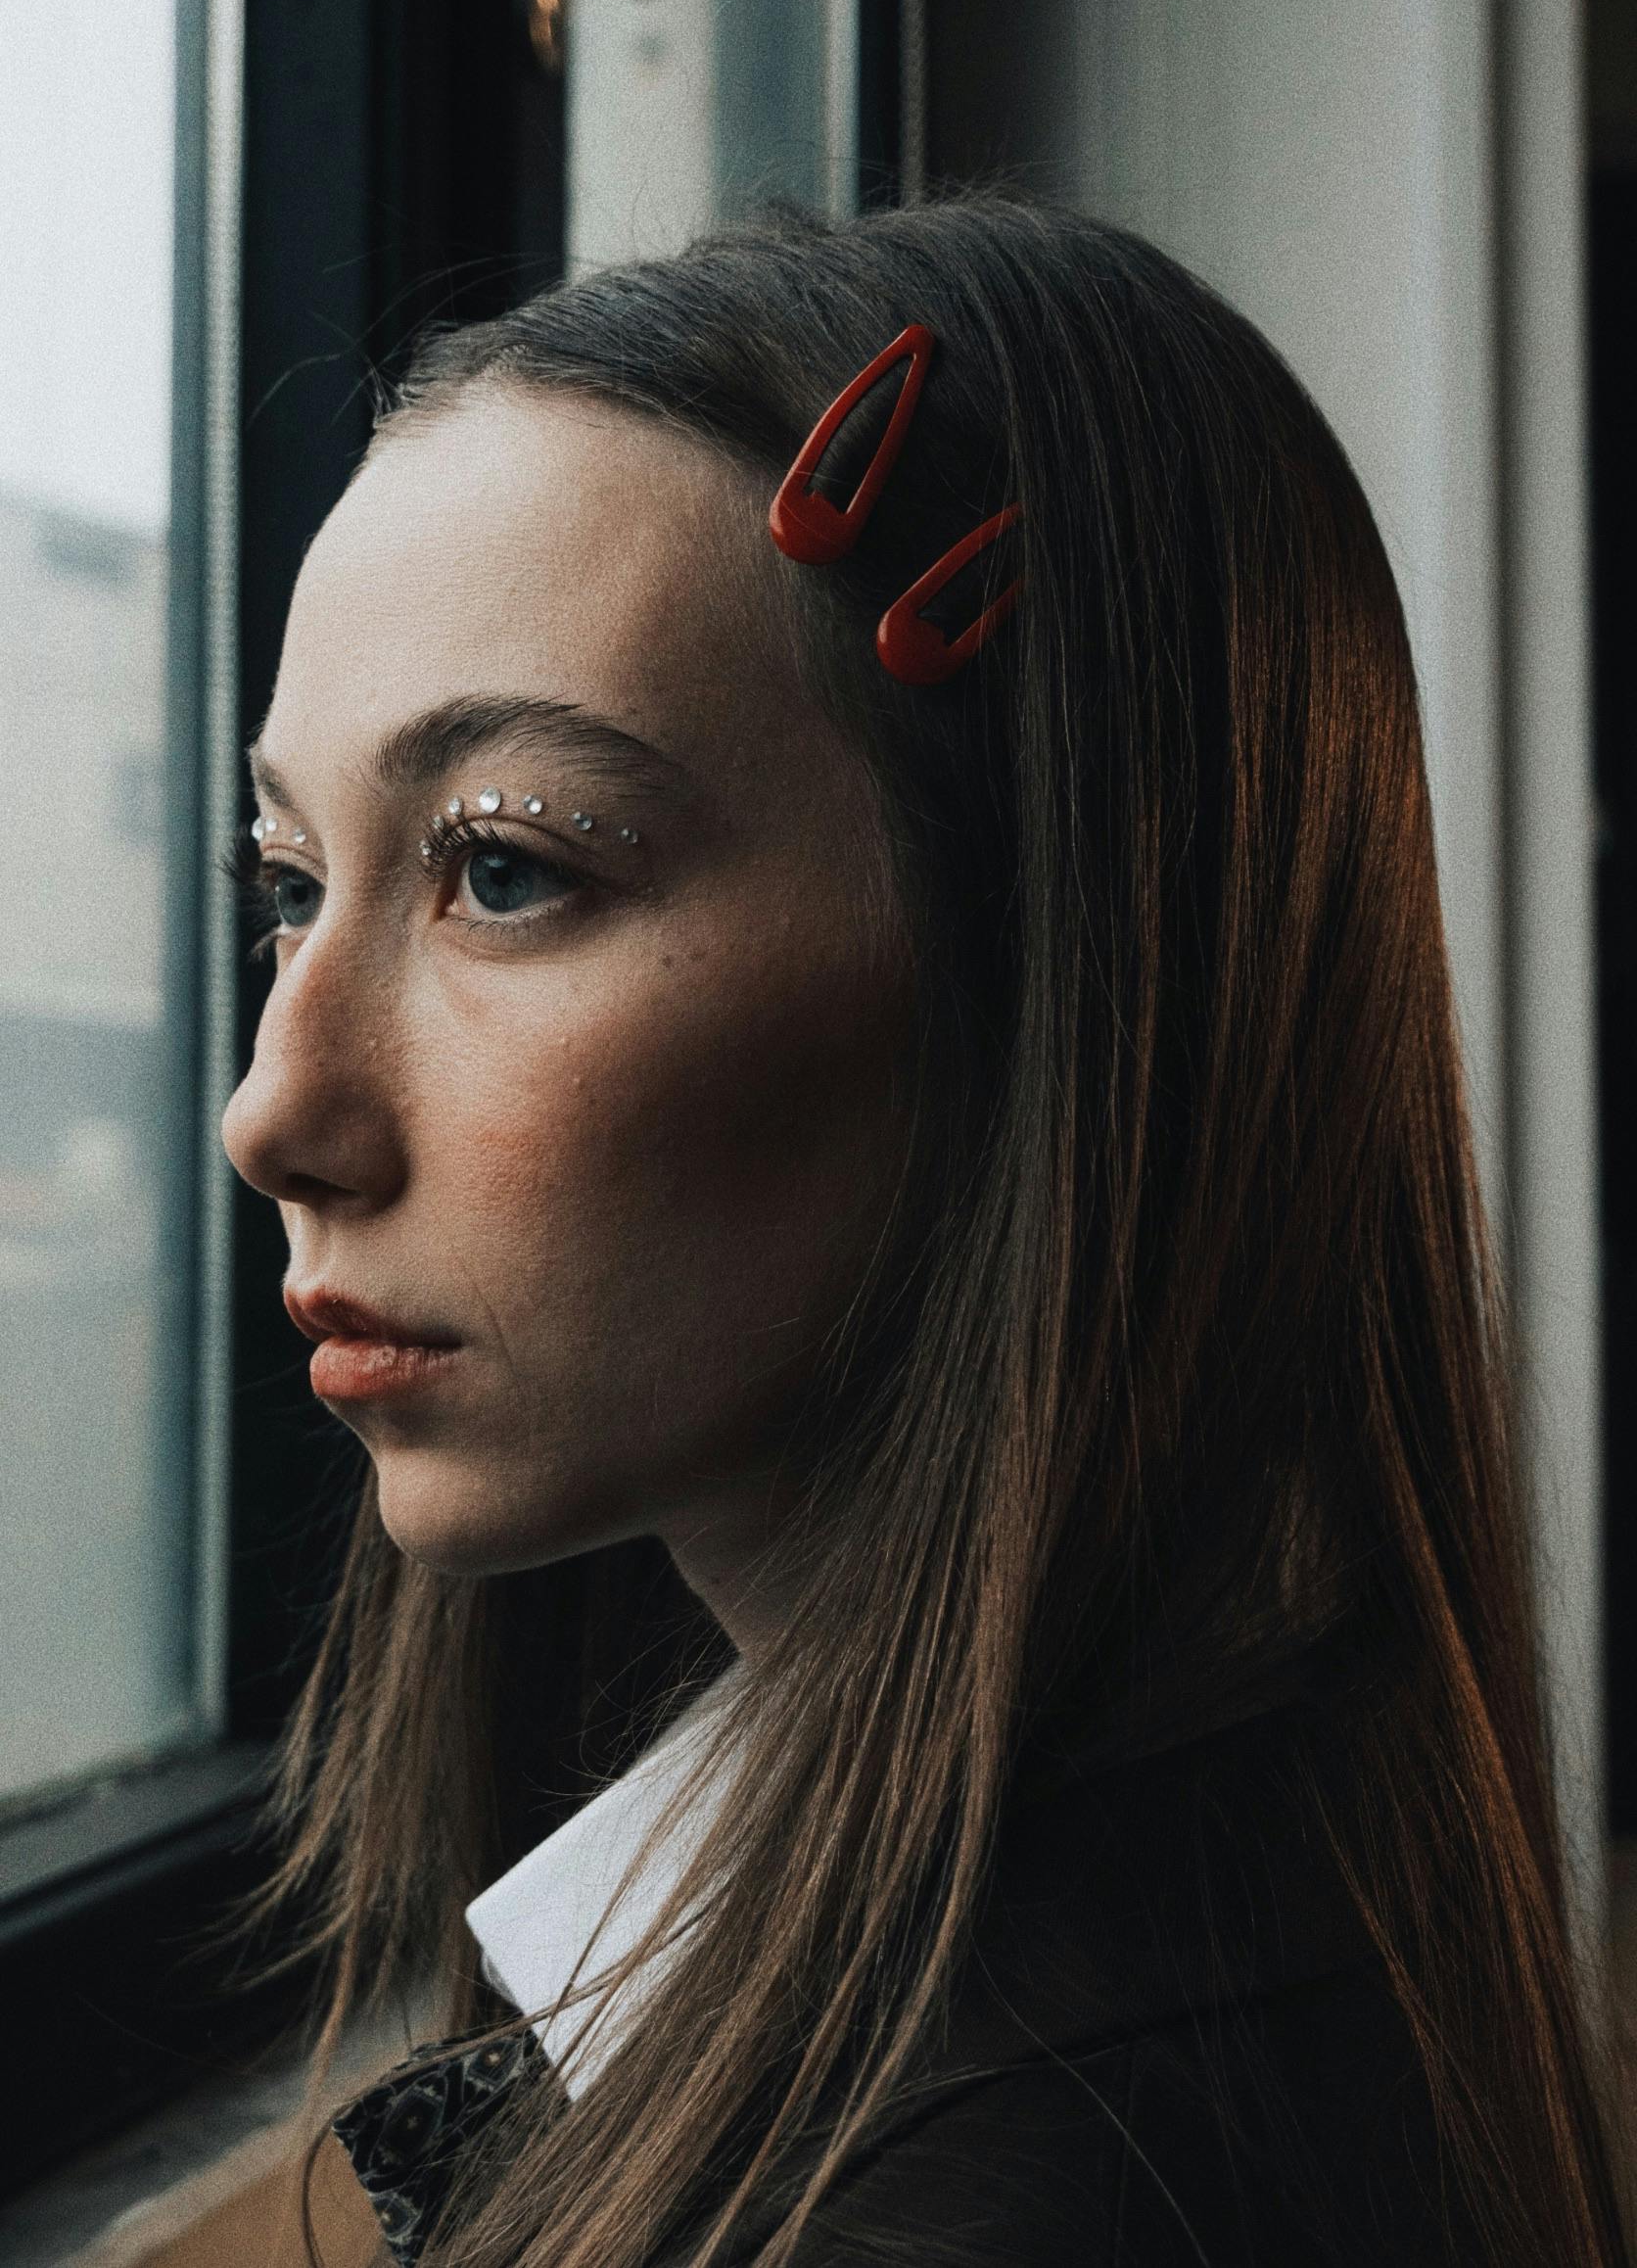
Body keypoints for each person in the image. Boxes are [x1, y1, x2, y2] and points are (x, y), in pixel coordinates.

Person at [216, 195, 1632, 2265]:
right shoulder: (1235, 1913)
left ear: (1066, 964)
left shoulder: (1023, 2196)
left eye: (504, 873)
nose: (277, 1110)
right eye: (285, 886)